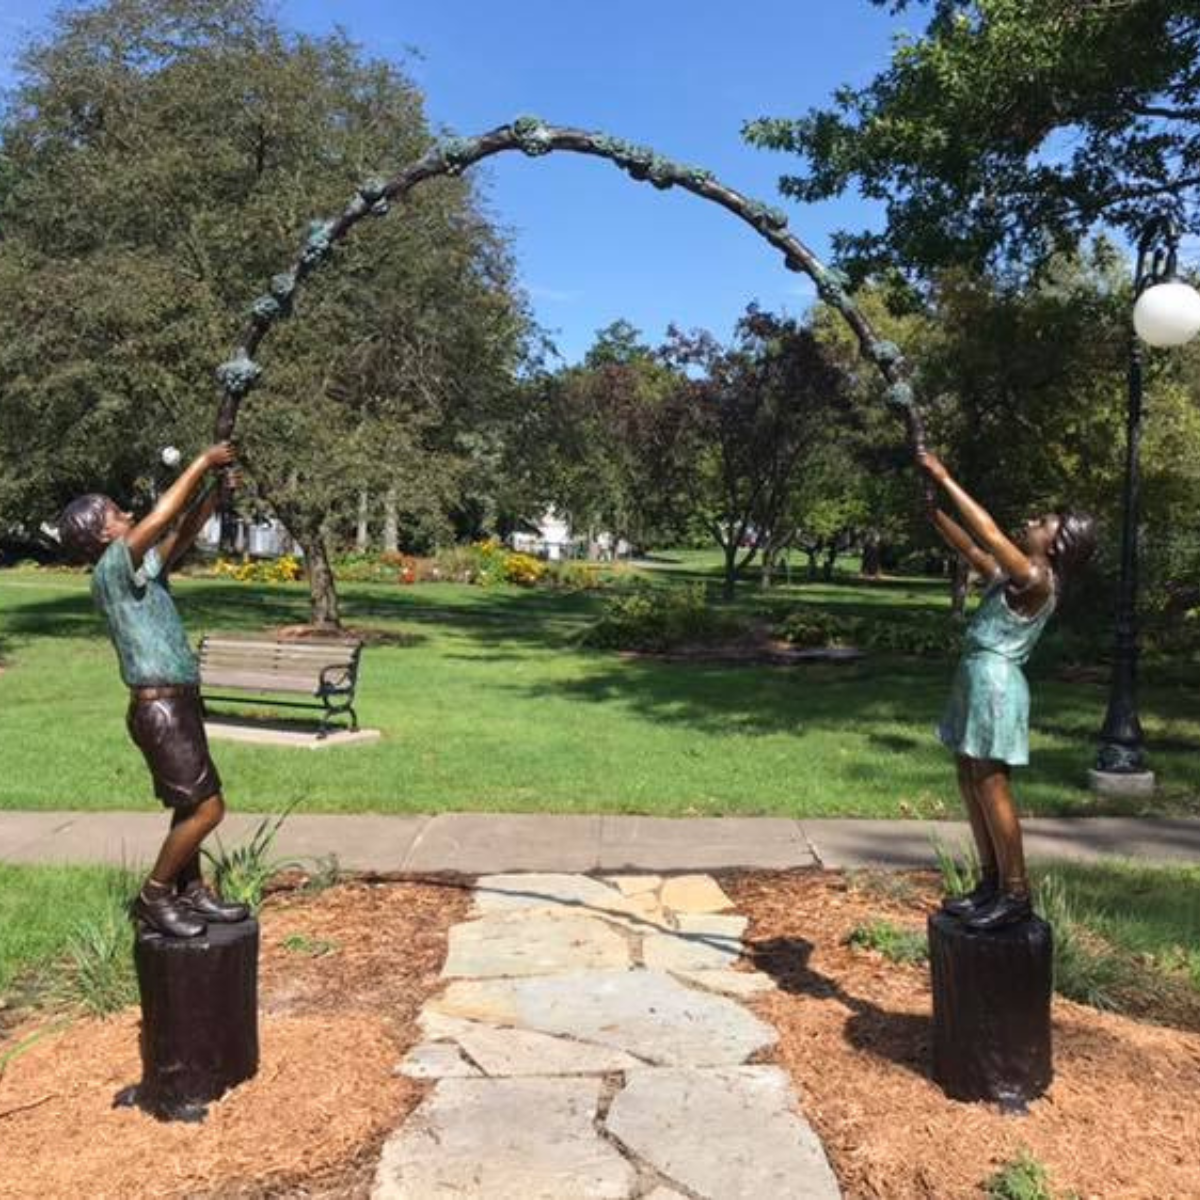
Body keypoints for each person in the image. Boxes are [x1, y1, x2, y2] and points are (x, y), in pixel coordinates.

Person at [58, 443, 249, 938]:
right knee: (209, 808)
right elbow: (164, 516)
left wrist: (215, 493)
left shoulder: (139, 571)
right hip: (159, 707)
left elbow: (182, 529)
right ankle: (156, 895)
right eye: (119, 514)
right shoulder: (109, 573)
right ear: (103, 535)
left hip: (175, 702)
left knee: (192, 805)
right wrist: (202, 463)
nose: (130, 514)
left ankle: (192, 890)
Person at [918, 450, 1096, 930]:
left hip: (996, 684)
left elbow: (989, 534)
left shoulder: (1037, 579)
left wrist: (947, 477)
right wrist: (934, 513)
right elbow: (973, 550)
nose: (1033, 521)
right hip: (975, 677)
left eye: (1044, 522)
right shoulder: (1011, 576)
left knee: (992, 786)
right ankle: (991, 880)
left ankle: (1015, 892)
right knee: (969, 779)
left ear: (1057, 545)